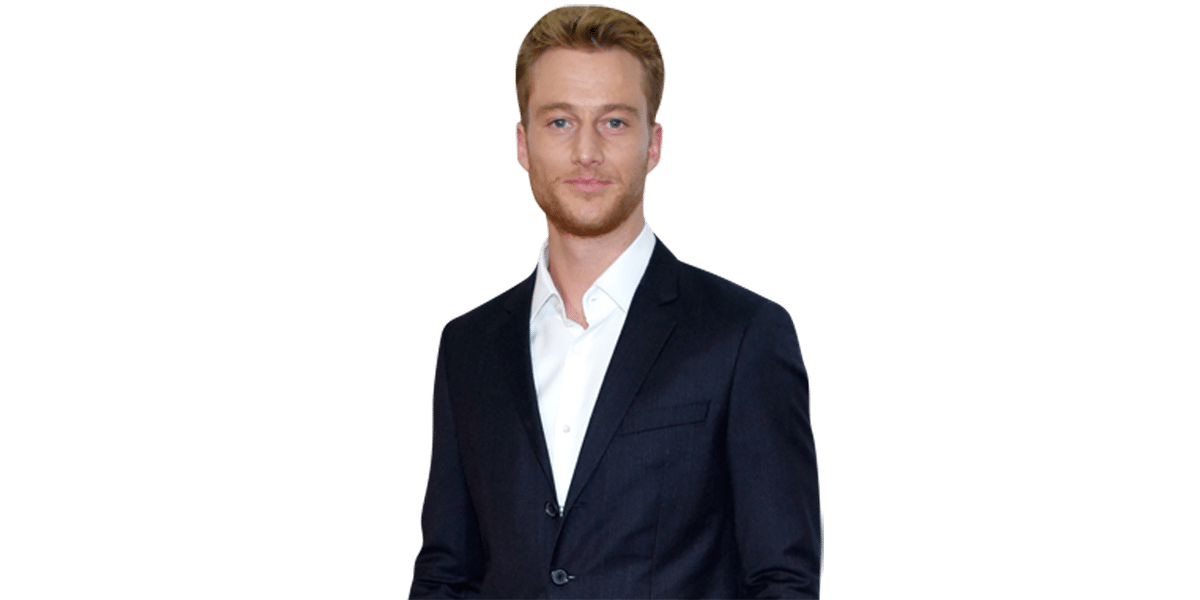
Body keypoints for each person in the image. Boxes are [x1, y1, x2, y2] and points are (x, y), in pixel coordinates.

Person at [409, 5, 822, 599]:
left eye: (614, 122)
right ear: (523, 143)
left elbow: (782, 580)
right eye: (559, 121)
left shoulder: (744, 334)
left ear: (654, 144)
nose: (586, 151)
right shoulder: (466, 347)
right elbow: (446, 574)